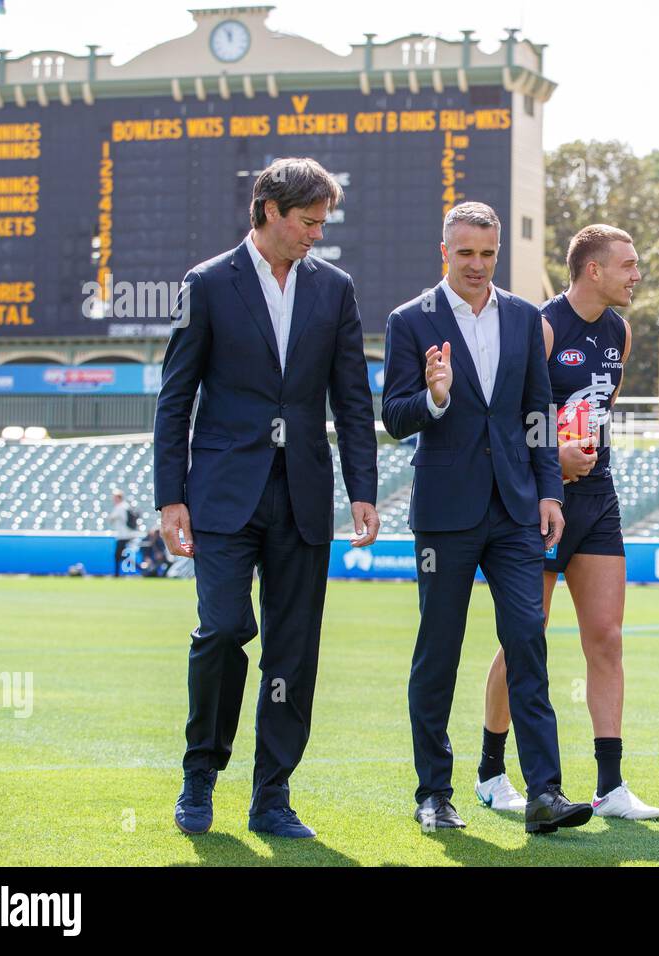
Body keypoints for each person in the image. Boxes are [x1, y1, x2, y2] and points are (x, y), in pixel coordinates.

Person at [154, 157, 379, 839]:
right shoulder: (207, 284)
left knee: (294, 651)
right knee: (222, 629)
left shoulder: (333, 289)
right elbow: (176, 398)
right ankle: (201, 773)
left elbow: (351, 395)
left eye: (321, 222)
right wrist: (171, 498)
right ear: (268, 212)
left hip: (304, 495)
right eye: (308, 222)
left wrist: (361, 490)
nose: (317, 234)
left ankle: (272, 794)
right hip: (223, 494)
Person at [382, 201, 592, 835]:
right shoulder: (409, 320)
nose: (476, 264)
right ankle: (434, 793)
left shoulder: (526, 318)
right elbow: (394, 416)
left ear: (498, 254)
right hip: (446, 512)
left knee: (528, 640)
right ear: (443, 251)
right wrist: (435, 398)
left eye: (487, 253)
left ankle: (545, 793)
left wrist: (549, 493)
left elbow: (538, 412)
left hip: (515, 509)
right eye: (465, 252)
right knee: (438, 651)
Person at [475, 225, 659, 821]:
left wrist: (581, 454)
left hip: (599, 498)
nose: (636, 274)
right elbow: (504, 417)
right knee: (526, 637)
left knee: (605, 638)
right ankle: (490, 771)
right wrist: (553, 459)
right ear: (593, 270)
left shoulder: (620, 331)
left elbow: (598, 415)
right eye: (627, 265)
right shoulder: (544, 325)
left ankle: (610, 785)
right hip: (538, 502)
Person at [107, 490, 136, 577]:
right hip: (127, 534)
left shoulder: (120, 507)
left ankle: (116, 574)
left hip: (123, 535)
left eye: (115, 498)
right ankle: (139, 567)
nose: (113, 500)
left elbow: (111, 518)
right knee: (121, 555)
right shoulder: (126, 506)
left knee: (117, 555)